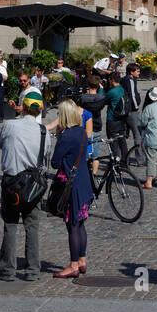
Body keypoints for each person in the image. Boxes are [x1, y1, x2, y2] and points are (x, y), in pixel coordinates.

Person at [0, 91, 50, 281]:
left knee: (10, 225)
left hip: (11, 182)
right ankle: (33, 270)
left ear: (23, 107)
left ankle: (7, 270)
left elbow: (2, 144)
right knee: (32, 227)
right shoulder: (44, 131)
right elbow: (45, 155)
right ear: (40, 109)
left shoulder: (9, 125)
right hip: (33, 185)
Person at [49, 99, 95, 278]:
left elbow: (54, 162)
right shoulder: (83, 132)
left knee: (73, 225)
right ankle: (82, 260)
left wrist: (59, 136)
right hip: (84, 182)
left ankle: (73, 265)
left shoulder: (67, 136)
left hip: (71, 184)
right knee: (81, 224)